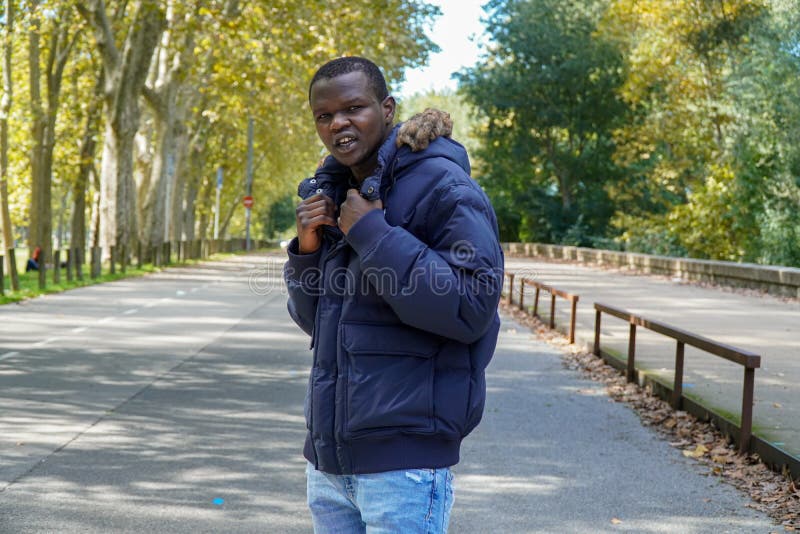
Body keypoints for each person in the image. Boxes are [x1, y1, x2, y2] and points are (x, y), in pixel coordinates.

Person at [284, 56, 504, 533]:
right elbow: (315, 321)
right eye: (324, 115)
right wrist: (306, 251)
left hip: (404, 463)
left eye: (353, 108)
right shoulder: (339, 191)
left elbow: (472, 307)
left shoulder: (444, 186)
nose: (338, 123)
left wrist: (372, 233)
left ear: (387, 108)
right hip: (330, 464)